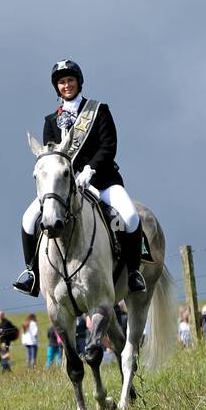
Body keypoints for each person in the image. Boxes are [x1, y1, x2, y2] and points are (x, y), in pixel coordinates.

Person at [14, 60, 147, 298]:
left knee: (129, 215)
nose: (66, 85)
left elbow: (109, 146)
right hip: (63, 186)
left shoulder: (99, 110)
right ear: (57, 87)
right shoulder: (50, 121)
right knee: (28, 219)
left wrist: (89, 170)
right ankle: (32, 274)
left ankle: (134, 272)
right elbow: (49, 155)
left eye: (70, 80)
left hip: (101, 180)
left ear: (79, 82)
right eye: (62, 82)